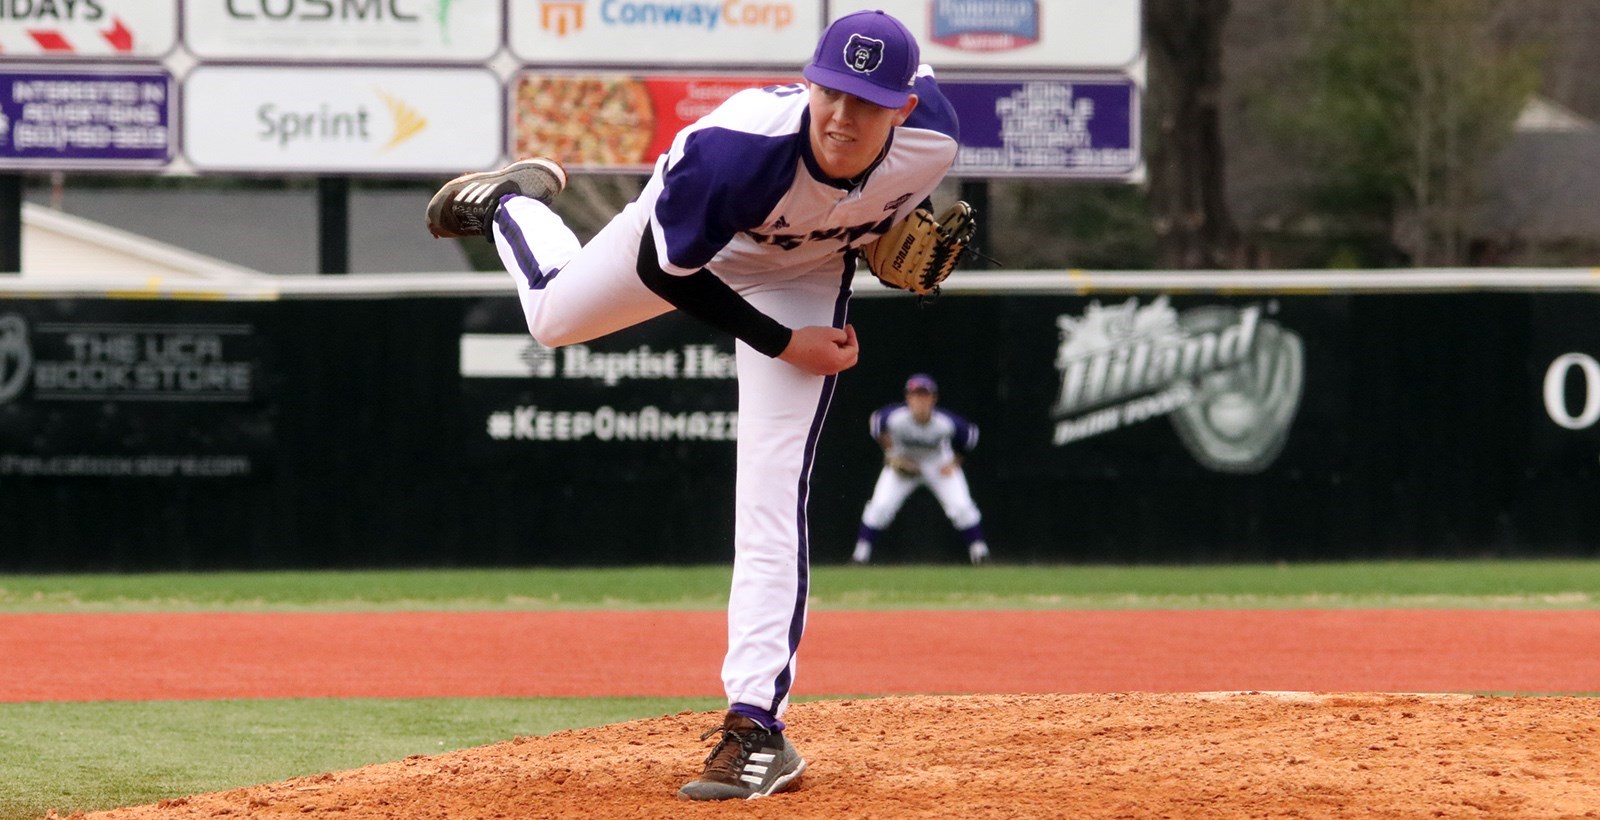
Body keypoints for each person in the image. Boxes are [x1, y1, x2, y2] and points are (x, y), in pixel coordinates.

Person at [424, 9, 960, 802]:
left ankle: (756, 727)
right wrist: (783, 343)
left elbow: (885, 187)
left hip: (803, 276)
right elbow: (665, 271)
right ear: (809, 84)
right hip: (691, 249)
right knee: (553, 319)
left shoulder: (934, 140)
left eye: (868, 102)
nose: (843, 116)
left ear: (904, 108)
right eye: (832, 92)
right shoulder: (735, 153)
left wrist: (873, 226)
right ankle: (512, 204)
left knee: (771, 491)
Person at [852, 373, 991, 566]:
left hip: (937, 465)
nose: (920, 400)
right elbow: (876, 425)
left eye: (924, 395)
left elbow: (970, 437)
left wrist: (954, 462)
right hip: (903, 464)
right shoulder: (894, 417)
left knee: (961, 507)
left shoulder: (946, 422)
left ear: (934, 398)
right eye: (915, 395)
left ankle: (980, 554)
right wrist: (891, 453)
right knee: (880, 507)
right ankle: (860, 556)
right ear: (908, 398)